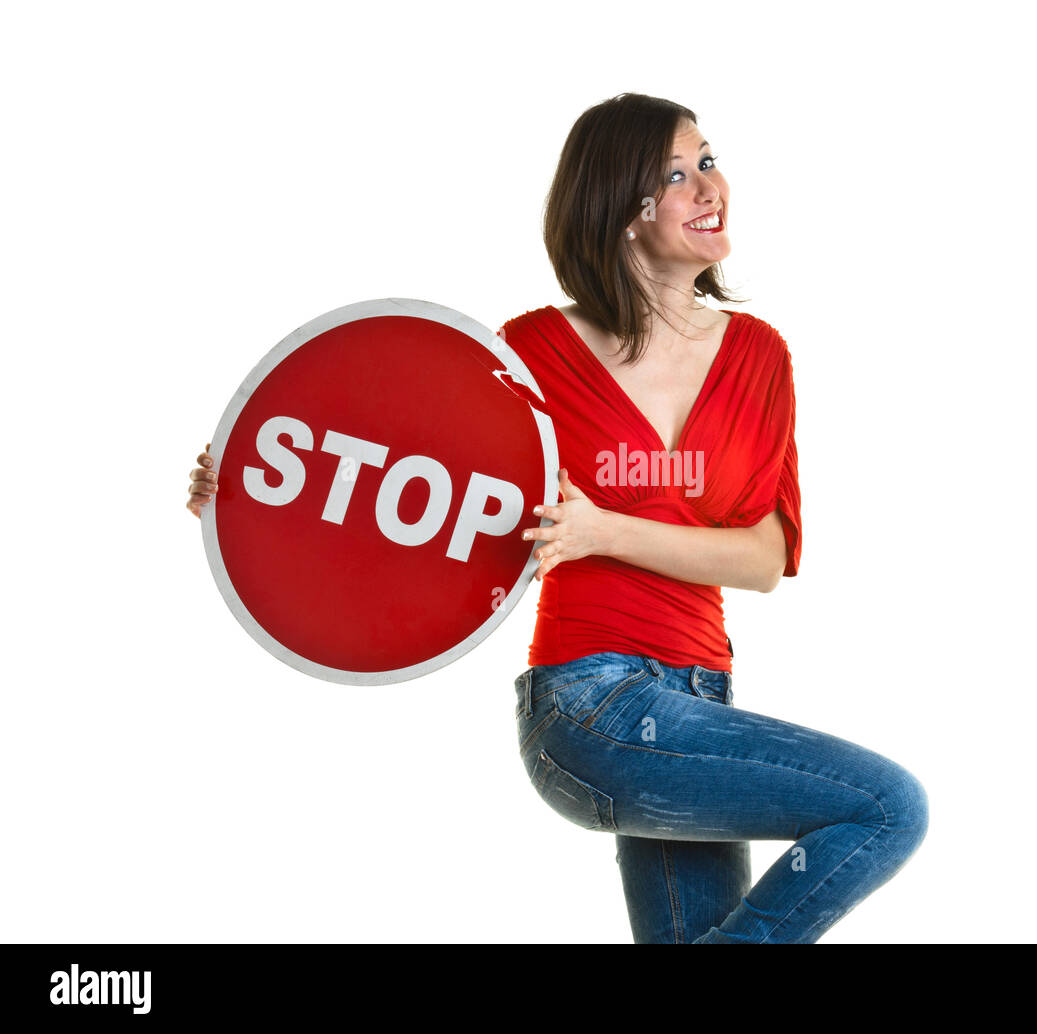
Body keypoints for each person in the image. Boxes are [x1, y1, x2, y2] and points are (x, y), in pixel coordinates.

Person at [187, 92, 929, 944]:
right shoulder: (529, 355)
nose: (708, 187)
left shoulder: (760, 356)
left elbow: (762, 558)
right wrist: (249, 486)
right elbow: (383, 466)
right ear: (620, 213)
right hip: (588, 704)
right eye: (675, 177)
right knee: (888, 807)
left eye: (709, 161)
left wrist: (603, 528)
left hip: (702, 699)